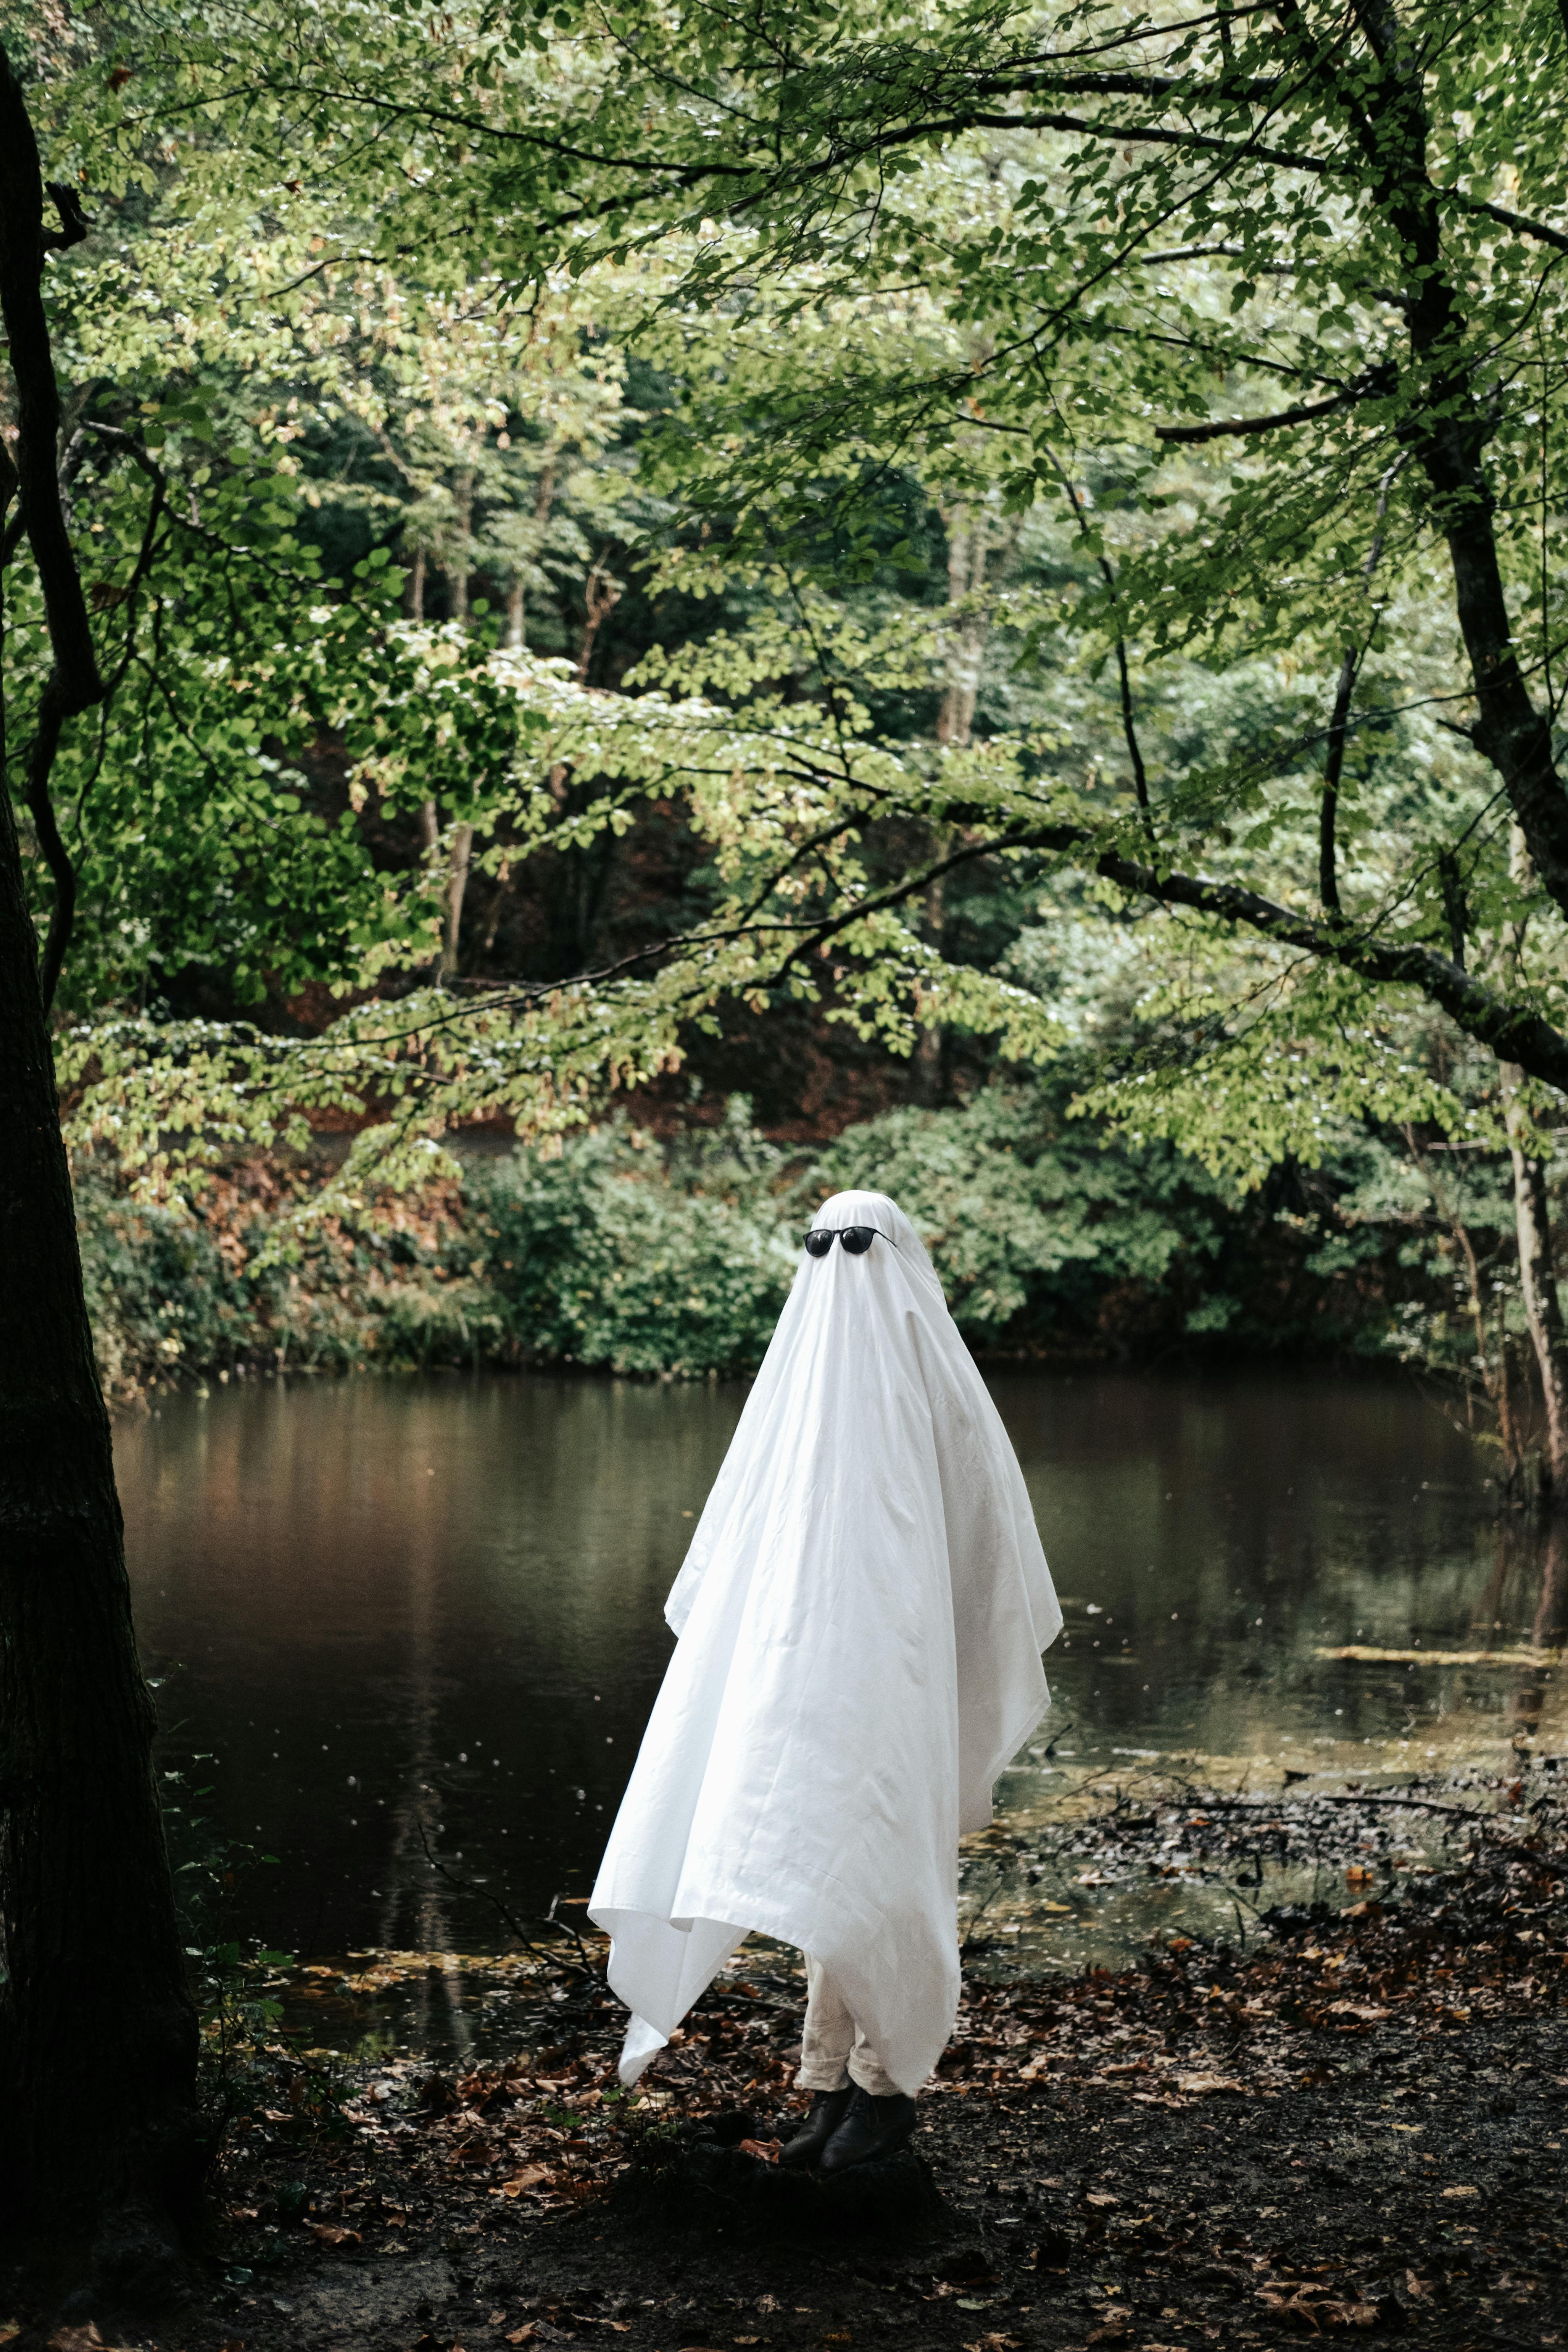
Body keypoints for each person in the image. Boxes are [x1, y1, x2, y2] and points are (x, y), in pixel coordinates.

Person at [588, 1188, 1061, 2174]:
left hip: (902, 1683)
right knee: (822, 1874)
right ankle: (829, 2082)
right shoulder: (798, 1399)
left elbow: (985, 1541)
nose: (840, 1269)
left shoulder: (933, 1388)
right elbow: (740, 1542)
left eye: (857, 1247)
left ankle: (888, 2092)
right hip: (808, 1683)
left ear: (891, 1257)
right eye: (823, 1248)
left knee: (883, 1875)